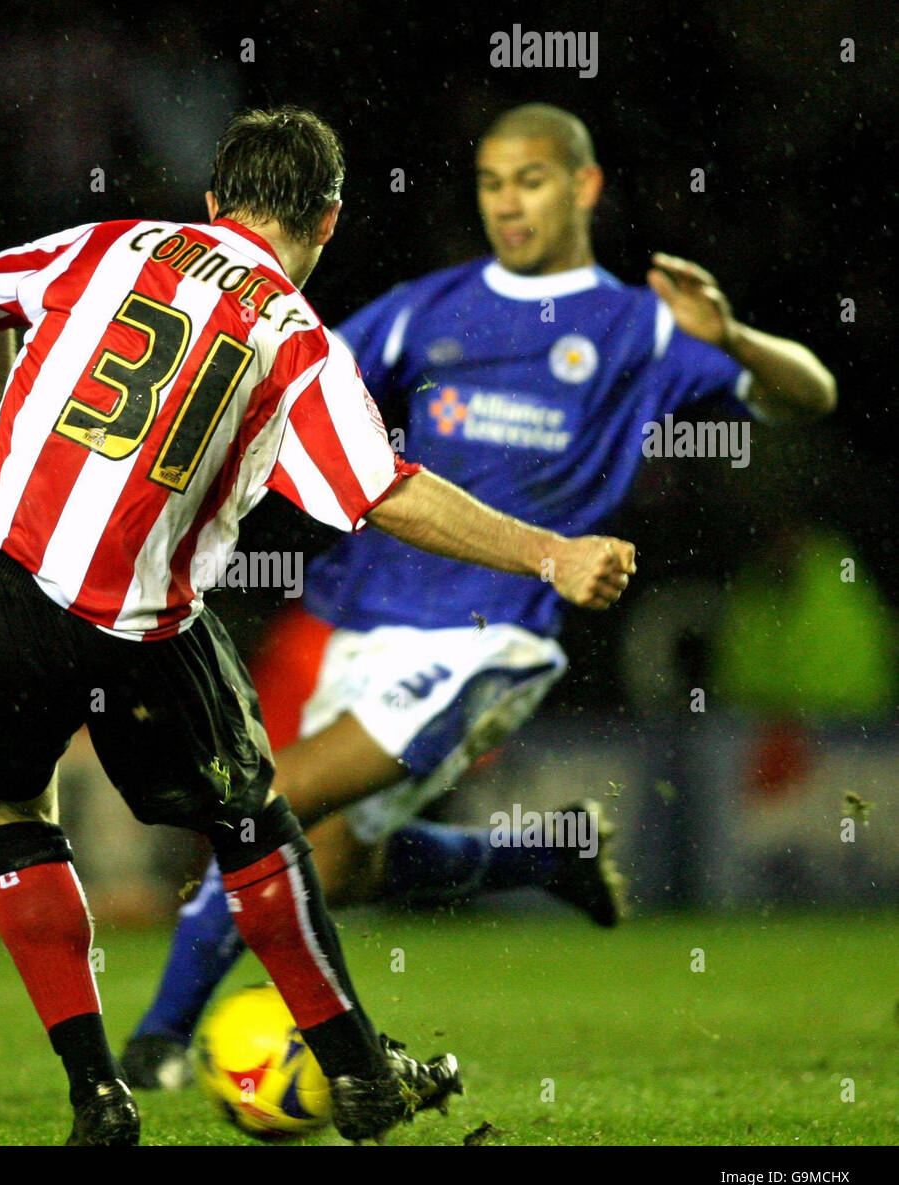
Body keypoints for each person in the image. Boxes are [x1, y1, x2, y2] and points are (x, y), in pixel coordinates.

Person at [0, 105, 636, 1144]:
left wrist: (14, 418)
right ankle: (359, 1073)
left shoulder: (112, 243)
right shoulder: (293, 336)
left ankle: (96, 1096)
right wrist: (548, 551)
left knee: (17, 807)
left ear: (213, 202)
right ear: (331, 221)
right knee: (252, 827)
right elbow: (382, 490)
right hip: (133, 618)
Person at [122, 103, 837, 1090]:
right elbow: (290, 378)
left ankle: (150, 1047)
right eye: (492, 182)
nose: (508, 202)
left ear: (582, 186)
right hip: (358, 619)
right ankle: (541, 857)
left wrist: (739, 338)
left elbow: (814, 395)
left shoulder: (640, 328)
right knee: (334, 864)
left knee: (264, 802)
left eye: (531, 180)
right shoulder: (429, 306)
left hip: (488, 637)